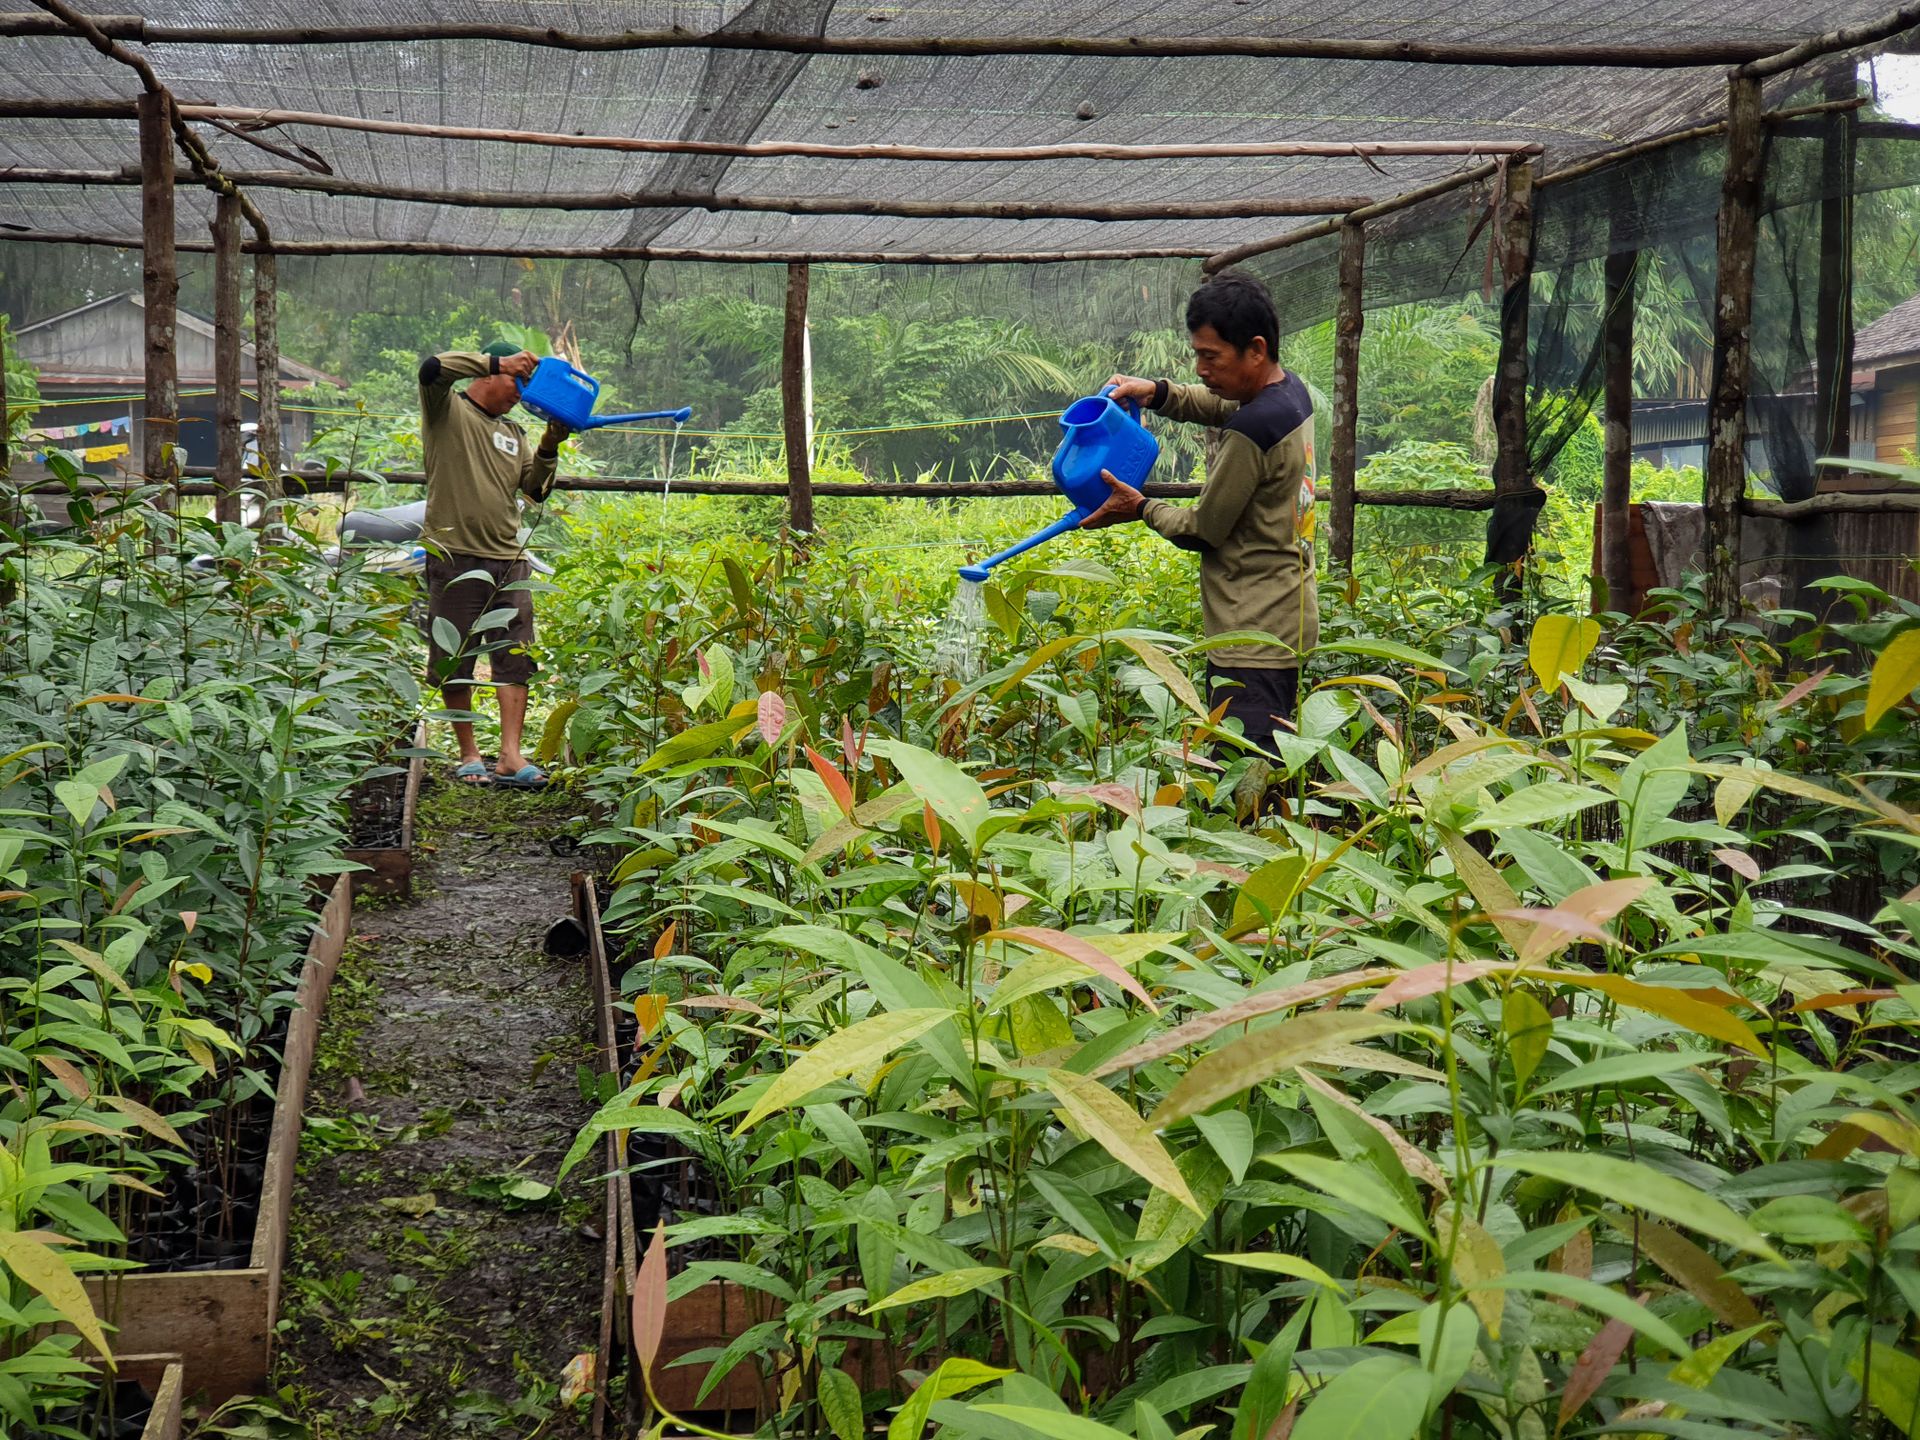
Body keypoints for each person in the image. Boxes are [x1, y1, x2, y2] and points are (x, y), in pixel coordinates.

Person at [1079, 271, 1319, 754]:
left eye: (1211, 356)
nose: (1202, 368)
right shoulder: (1289, 394)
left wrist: (1140, 506)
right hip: (1288, 615)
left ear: (1255, 349)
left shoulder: (1251, 431)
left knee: (1244, 779)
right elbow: (1221, 403)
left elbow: (1202, 530)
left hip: (1249, 635)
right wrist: (1159, 393)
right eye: (1197, 355)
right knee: (1274, 762)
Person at [417, 341, 570, 788]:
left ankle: (509, 755)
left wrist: (547, 445)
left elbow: (535, 491)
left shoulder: (515, 433)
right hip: (455, 555)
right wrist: (497, 360)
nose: (521, 391)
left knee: (514, 656)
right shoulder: (445, 409)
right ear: (489, 374)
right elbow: (432, 368)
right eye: (516, 380)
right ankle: (468, 753)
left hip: (508, 558)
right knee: (454, 655)